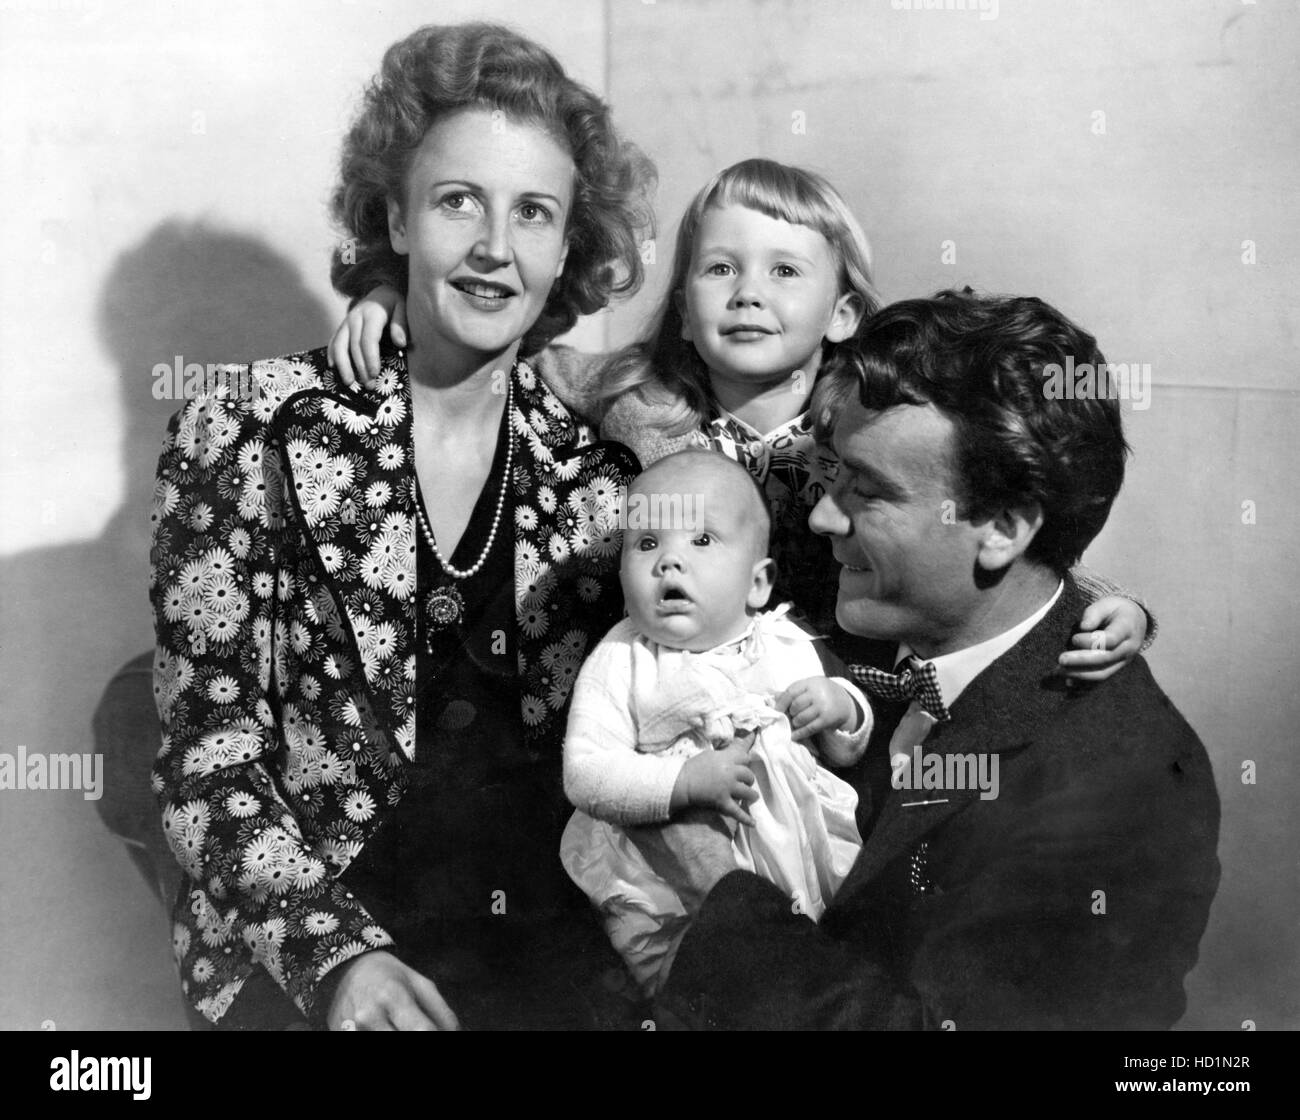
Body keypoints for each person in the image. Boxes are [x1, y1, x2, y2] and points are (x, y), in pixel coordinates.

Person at [150, 22, 654, 1030]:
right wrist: (337, 962)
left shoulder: (606, 473)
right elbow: (204, 758)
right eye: (458, 200)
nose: (493, 248)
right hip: (320, 947)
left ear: (566, 252)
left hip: (551, 953)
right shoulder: (252, 429)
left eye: (534, 214)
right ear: (393, 217)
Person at [633, 290, 1221, 1030]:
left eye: (869, 492)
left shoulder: (1120, 787)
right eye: (832, 475)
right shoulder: (904, 628)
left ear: (1002, 528)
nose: (820, 517)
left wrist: (718, 893)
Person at [331, 159, 1154, 675]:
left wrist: (1110, 604)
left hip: (835, 698)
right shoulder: (633, 394)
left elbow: (988, 507)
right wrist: (390, 296)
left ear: (841, 313)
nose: (749, 292)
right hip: (665, 688)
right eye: (719, 268)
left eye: (785, 270)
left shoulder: (867, 416)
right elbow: (500, 346)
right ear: (684, 310)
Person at [560, 451, 870, 994]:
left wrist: (842, 708)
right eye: (647, 543)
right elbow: (586, 775)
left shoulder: (787, 640)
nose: (668, 563)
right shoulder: (623, 659)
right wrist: (682, 783)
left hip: (804, 855)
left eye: (701, 541)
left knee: (824, 961)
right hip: (667, 886)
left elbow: (847, 750)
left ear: (757, 584)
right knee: (693, 983)